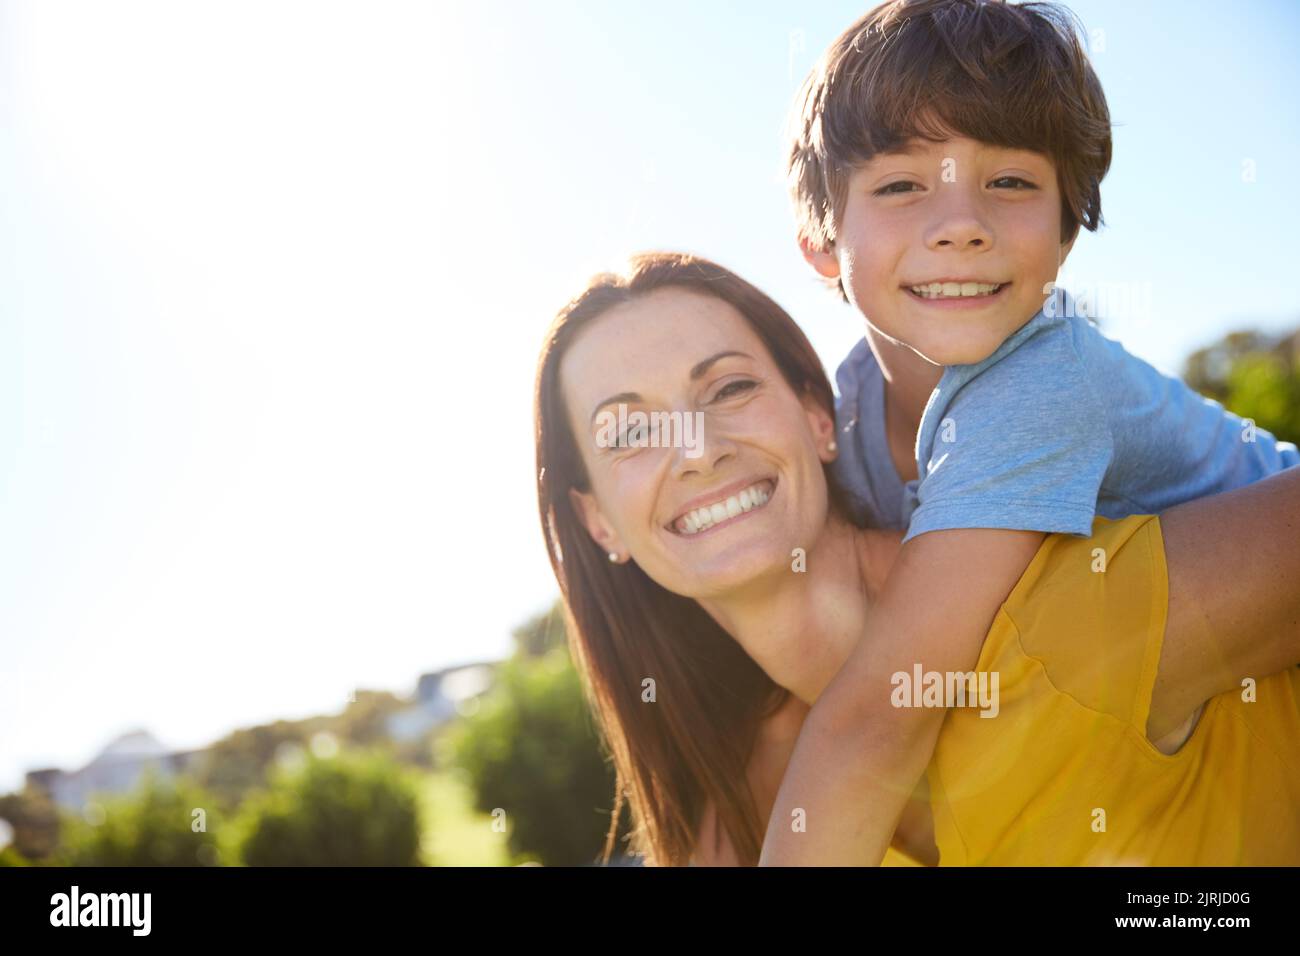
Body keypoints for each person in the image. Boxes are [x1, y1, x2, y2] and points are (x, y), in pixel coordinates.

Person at [533, 250, 1300, 867]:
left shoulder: (1048, 620)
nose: (696, 452)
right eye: (629, 433)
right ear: (598, 520)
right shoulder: (747, 799)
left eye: (729, 388)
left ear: (817, 421)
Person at [761, 0, 1300, 865]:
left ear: (1065, 228)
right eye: (901, 184)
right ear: (822, 242)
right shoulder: (851, 417)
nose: (962, 221)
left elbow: (877, 719)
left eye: (1010, 182)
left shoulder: (1040, 385)